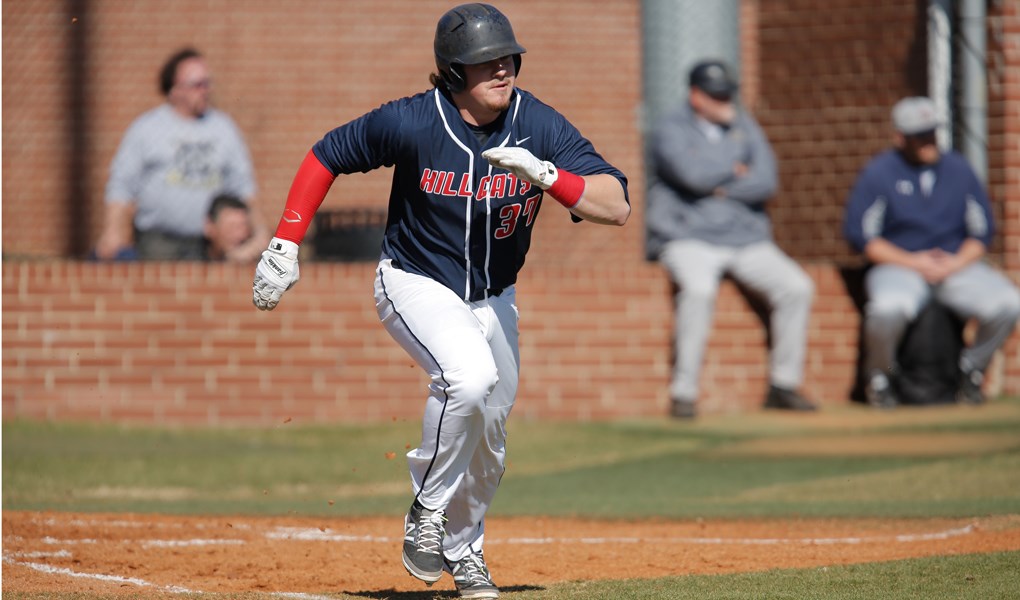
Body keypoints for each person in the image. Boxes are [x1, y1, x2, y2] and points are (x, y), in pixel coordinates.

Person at [250, 4, 629, 598]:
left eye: (508, 58)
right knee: (468, 379)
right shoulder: (413, 122)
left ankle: (465, 549)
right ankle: (426, 511)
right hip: (415, 280)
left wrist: (552, 177)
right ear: (454, 73)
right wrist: (285, 240)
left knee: (491, 436)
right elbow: (327, 153)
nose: (503, 69)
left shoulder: (538, 125)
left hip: (493, 296)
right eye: (487, 62)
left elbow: (616, 204)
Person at [644, 59, 817, 419]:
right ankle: (684, 394)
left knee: (797, 286)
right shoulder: (669, 127)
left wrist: (721, 186)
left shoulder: (743, 125)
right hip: (687, 236)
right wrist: (734, 169)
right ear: (696, 96)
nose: (725, 102)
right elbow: (691, 176)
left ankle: (784, 385)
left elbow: (767, 180)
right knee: (699, 291)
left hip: (746, 238)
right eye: (715, 95)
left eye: (726, 94)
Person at [843, 96, 1020, 408]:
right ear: (900, 137)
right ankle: (880, 378)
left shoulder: (958, 169)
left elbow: (982, 233)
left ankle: (972, 371)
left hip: (954, 264)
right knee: (887, 309)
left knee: (1008, 302)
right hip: (900, 265)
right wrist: (912, 261)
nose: (928, 141)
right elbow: (862, 237)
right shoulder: (880, 172)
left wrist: (953, 264)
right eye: (919, 135)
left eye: (932, 132)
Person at [96, 47, 268, 262]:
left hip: (208, 244)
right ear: (174, 90)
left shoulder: (223, 128)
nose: (205, 90)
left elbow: (244, 186)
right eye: (197, 85)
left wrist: (260, 230)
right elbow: (121, 184)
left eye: (208, 83)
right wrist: (112, 232)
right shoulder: (147, 128)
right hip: (158, 242)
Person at [204, 193, 254, 262]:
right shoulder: (189, 257)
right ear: (210, 226)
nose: (239, 235)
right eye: (231, 228)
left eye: (243, 227)